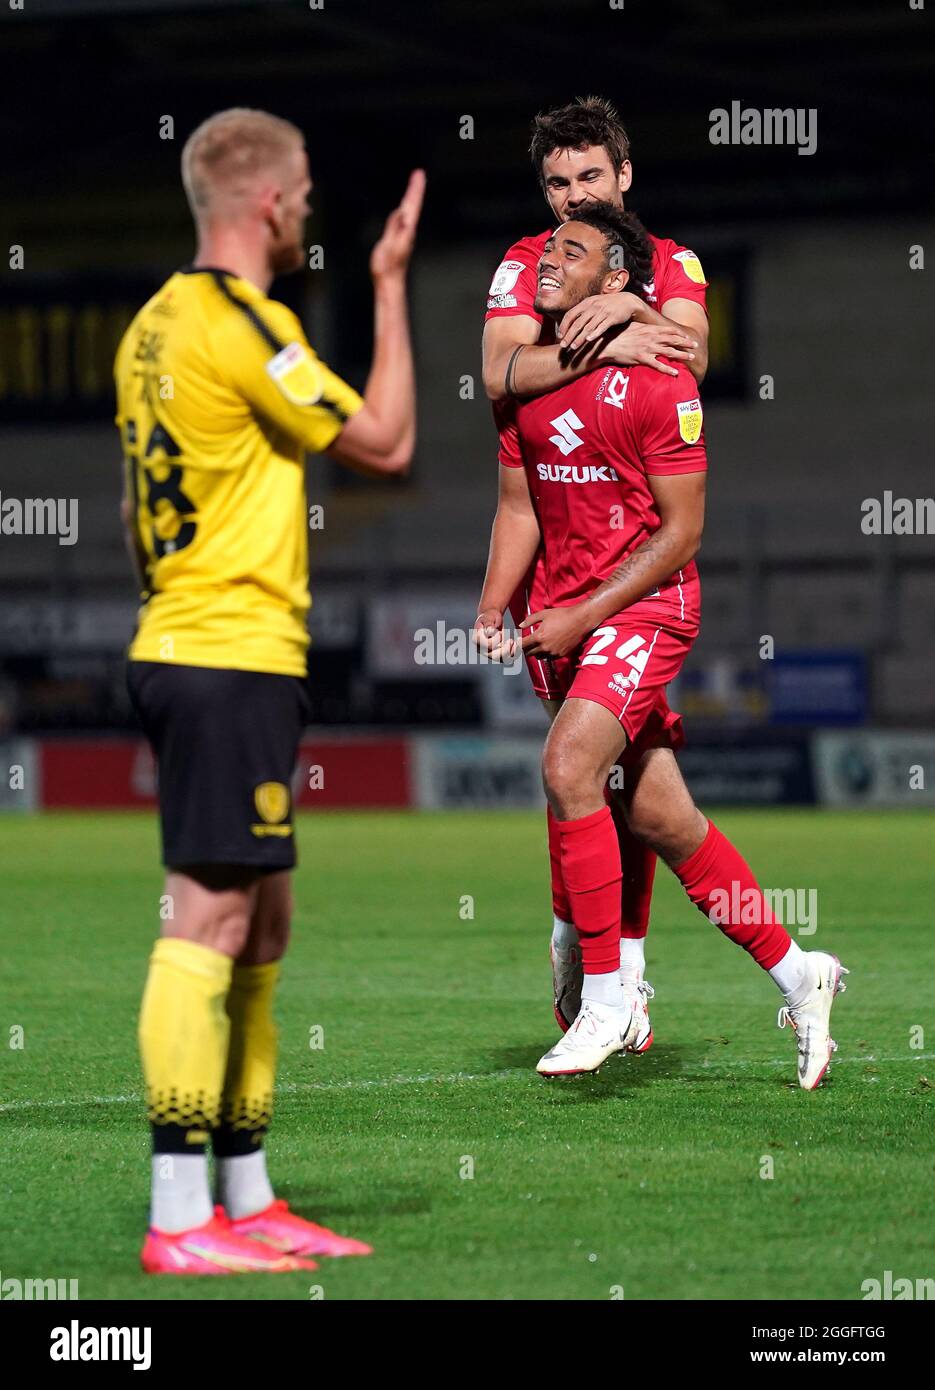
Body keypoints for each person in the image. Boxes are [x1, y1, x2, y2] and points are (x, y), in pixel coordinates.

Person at [115, 107, 424, 1274]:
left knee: (262, 925)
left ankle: (242, 1195)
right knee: (208, 919)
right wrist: (389, 284)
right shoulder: (247, 323)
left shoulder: (152, 325)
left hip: (216, 646)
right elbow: (387, 438)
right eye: (297, 192)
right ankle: (178, 1220)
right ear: (262, 203)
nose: (307, 210)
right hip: (222, 652)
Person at [475, 202, 847, 1086]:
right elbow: (520, 505)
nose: (545, 258)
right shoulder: (528, 383)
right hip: (562, 621)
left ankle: (609, 996)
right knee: (659, 817)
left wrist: (577, 617)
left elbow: (681, 535)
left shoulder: (661, 378)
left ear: (615, 279)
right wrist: (496, 606)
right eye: (545, 245)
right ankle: (802, 977)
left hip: (647, 611)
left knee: (568, 769)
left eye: (571, 249)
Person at [481, 96, 710, 1050]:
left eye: (589, 177)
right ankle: (628, 963)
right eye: (556, 182)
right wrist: (613, 325)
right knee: (620, 782)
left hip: (637, 575)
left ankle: (618, 978)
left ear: (624, 175)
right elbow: (498, 372)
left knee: (586, 767)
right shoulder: (530, 264)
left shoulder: (672, 263)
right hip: (557, 576)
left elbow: (690, 353)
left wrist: (628, 303)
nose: (572, 194)